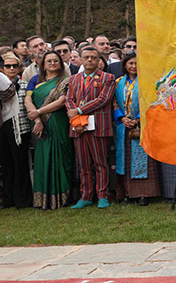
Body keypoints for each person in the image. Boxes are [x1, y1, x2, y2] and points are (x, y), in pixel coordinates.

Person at [65, 45, 116, 209]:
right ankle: (85, 196)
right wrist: (77, 120)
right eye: (86, 57)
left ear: (98, 59)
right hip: (79, 128)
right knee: (83, 164)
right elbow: (69, 100)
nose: (89, 60)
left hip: (98, 126)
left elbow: (103, 99)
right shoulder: (73, 79)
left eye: (93, 57)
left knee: (100, 163)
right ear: (81, 58)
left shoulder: (108, 78)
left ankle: (102, 195)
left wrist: (78, 110)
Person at [24, 51, 72, 209]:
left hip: (57, 122)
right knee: (42, 157)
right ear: (42, 64)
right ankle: (42, 199)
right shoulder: (35, 80)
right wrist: (37, 119)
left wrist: (38, 112)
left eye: (56, 61)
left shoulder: (65, 81)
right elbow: (28, 99)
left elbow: (61, 101)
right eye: (49, 61)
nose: (52, 63)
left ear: (61, 63)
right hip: (39, 125)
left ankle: (61, 198)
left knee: (60, 157)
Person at [112, 53, 160, 206]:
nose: (133, 66)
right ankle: (126, 193)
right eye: (130, 63)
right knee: (125, 160)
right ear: (125, 65)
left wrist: (137, 119)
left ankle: (143, 193)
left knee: (141, 159)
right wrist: (122, 118)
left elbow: (150, 101)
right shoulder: (118, 82)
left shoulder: (147, 82)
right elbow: (114, 103)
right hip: (123, 126)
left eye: (136, 63)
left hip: (141, 125)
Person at [0, 52, 33, 208]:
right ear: (2, 68)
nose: (12, 68)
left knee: (21, 164)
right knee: (6, 165)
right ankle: (8, 199)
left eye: (15, 65)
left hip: (21, 129)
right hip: (3, 128)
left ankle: (23, 199)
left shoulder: (25, 85)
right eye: (8, 66)